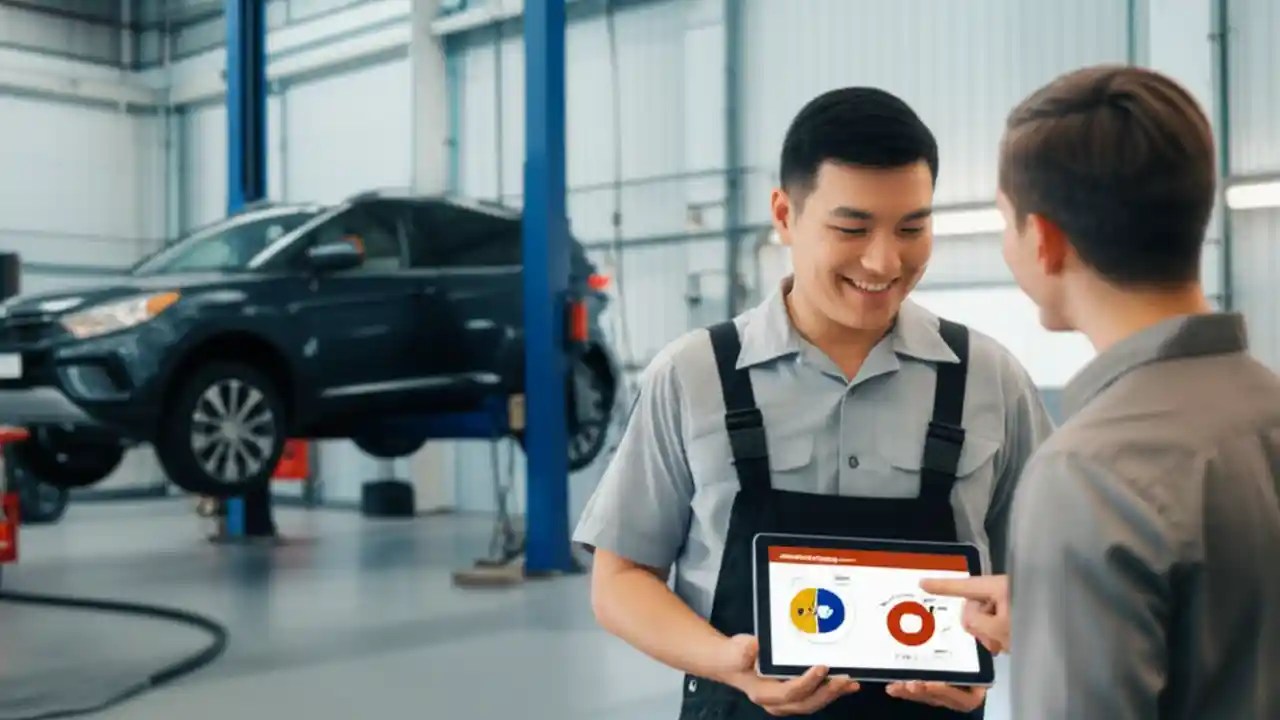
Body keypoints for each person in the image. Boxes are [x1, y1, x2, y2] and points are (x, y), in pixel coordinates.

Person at [572, 86, 1055, 719]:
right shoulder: (695, 377)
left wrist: (1003, 640)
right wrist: (730, 664)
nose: (884, 260)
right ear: (783, 215)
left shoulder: (989, 380)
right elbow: (620, 581)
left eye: (912, 227)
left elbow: (1051, 578)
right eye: (851, 228)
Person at [921, 64, 1280, 719]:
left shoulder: (1086, 474)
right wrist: (1065, 615)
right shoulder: (1267, 413)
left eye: (1007, 221)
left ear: (1046, 241)